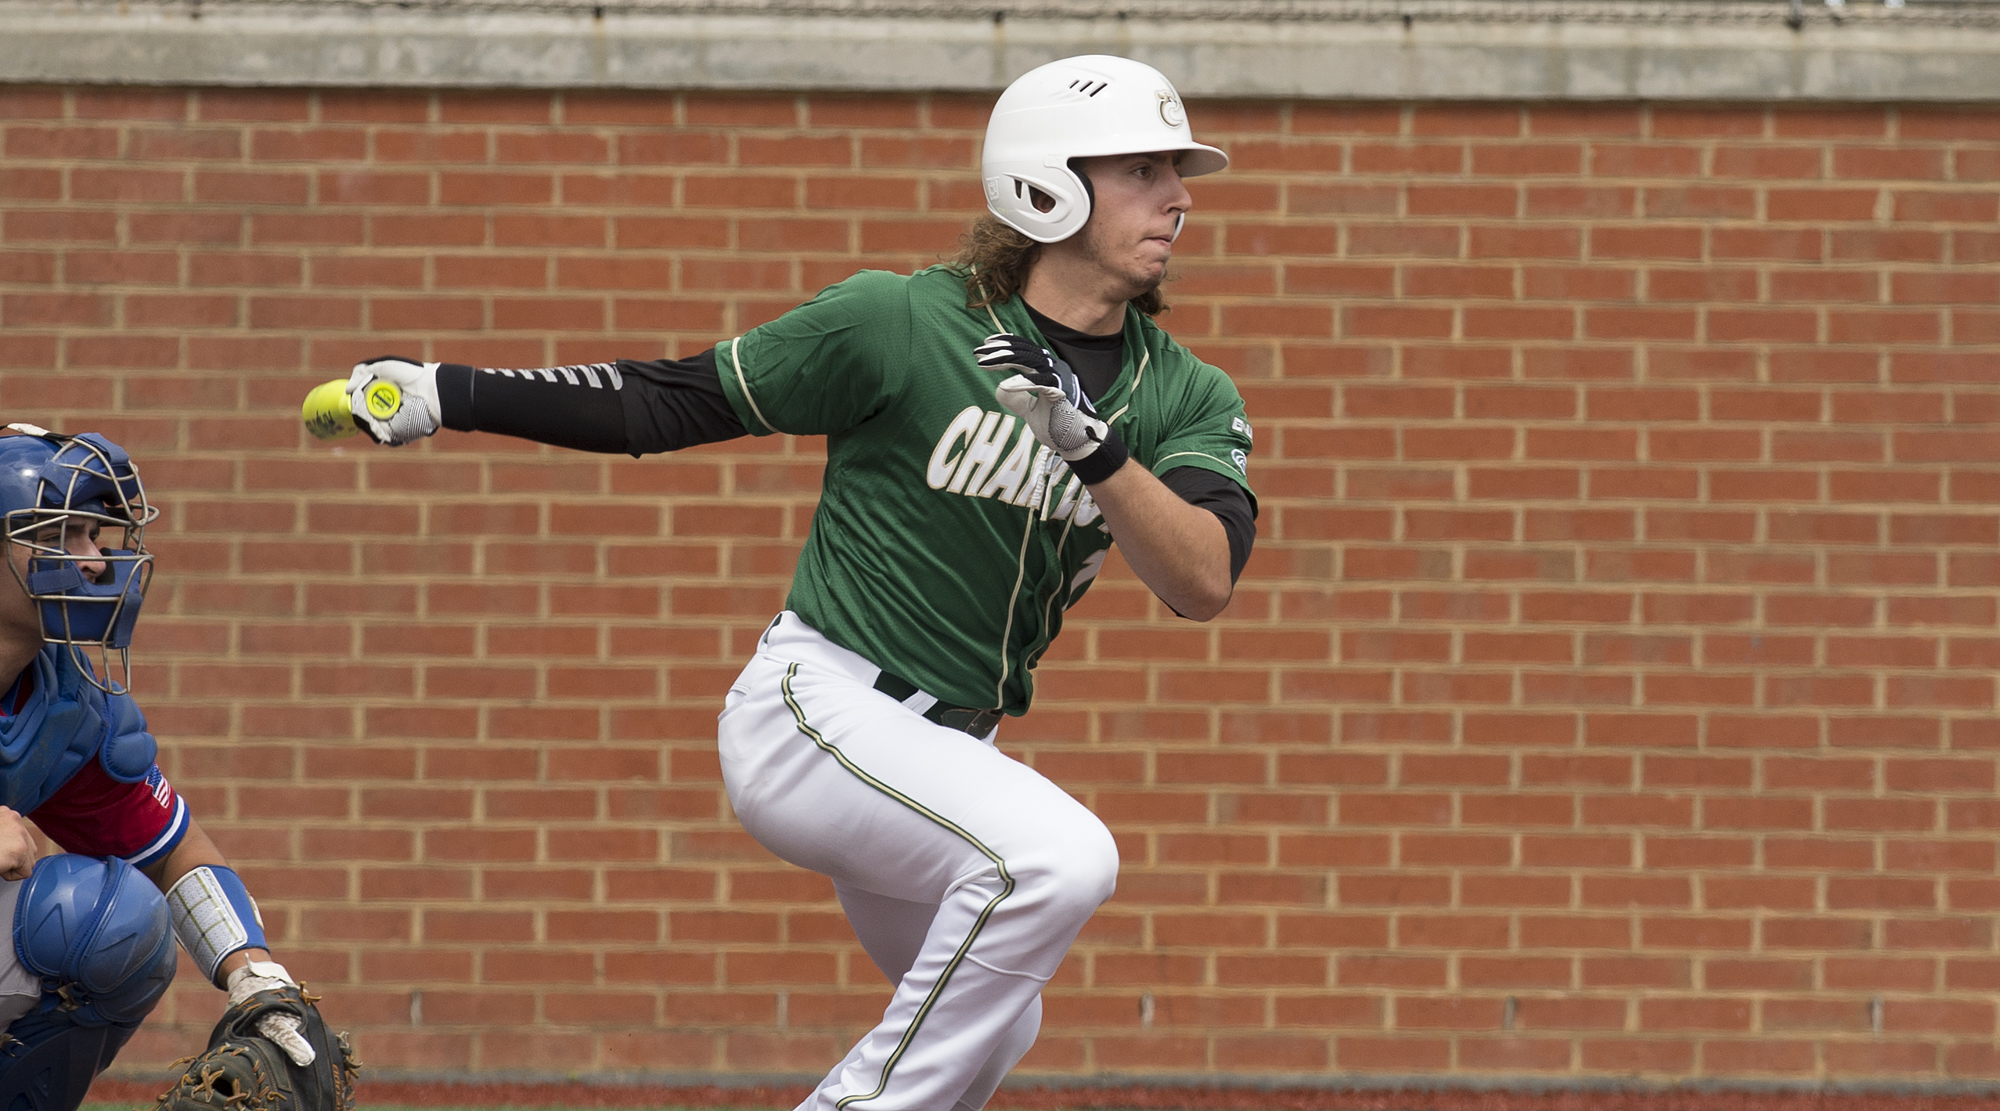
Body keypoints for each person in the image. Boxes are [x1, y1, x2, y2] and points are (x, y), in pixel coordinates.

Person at [331, 54, 1256, 1111]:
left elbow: (1201, 577)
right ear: (1047, 182)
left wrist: (1092, 450)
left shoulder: (1182, 392)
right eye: (1141, 168)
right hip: (815, 711)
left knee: (1006, 1008)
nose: (1177, 196)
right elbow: (667, 401)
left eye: (1174, 171)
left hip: (948, 756)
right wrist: (449, 391)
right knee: (1062, 858)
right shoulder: (900, 321)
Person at [0, 425, 324, 1111]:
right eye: (66, 534)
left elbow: (173, 853)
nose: (94, 562)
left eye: (97, 534)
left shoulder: (63, 697)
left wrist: (256, 977)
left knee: (116, 921)